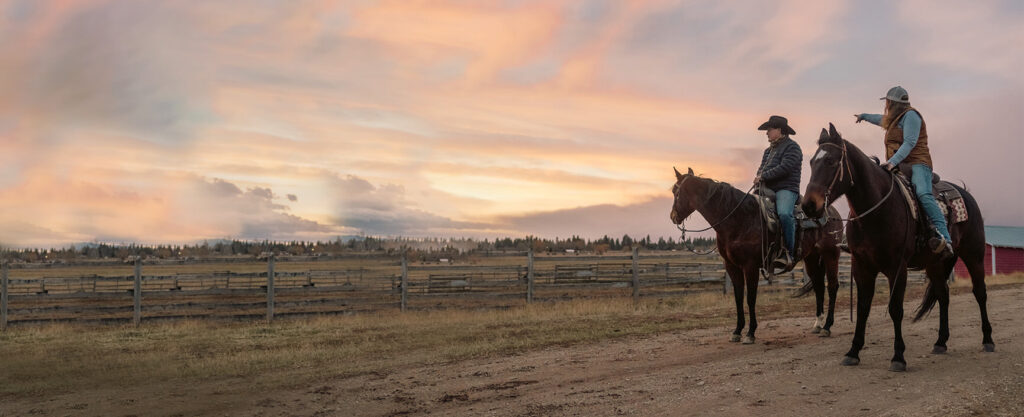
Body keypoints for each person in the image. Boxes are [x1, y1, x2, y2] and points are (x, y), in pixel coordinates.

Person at [855, 85, 953, 256]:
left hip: (918, 163)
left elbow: (909, 142)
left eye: (887, 102)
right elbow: (880, 119)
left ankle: (945, 238)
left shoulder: (911, 116)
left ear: (892, 103)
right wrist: (864, 116)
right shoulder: (894, 118)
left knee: (923, 193)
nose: (886, 105)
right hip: (900, 164)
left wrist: (892, 162)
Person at [755, 115, 802, 270]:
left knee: (784, 214)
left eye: (769, 129)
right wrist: (758, 178)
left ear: (779, 130)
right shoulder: (768, 151)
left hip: (786, 188)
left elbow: (785, 167)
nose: (766, 133)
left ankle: (788, 252)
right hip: (767, 189)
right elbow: (762, 169)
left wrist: (763, 176)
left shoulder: (793, 147)